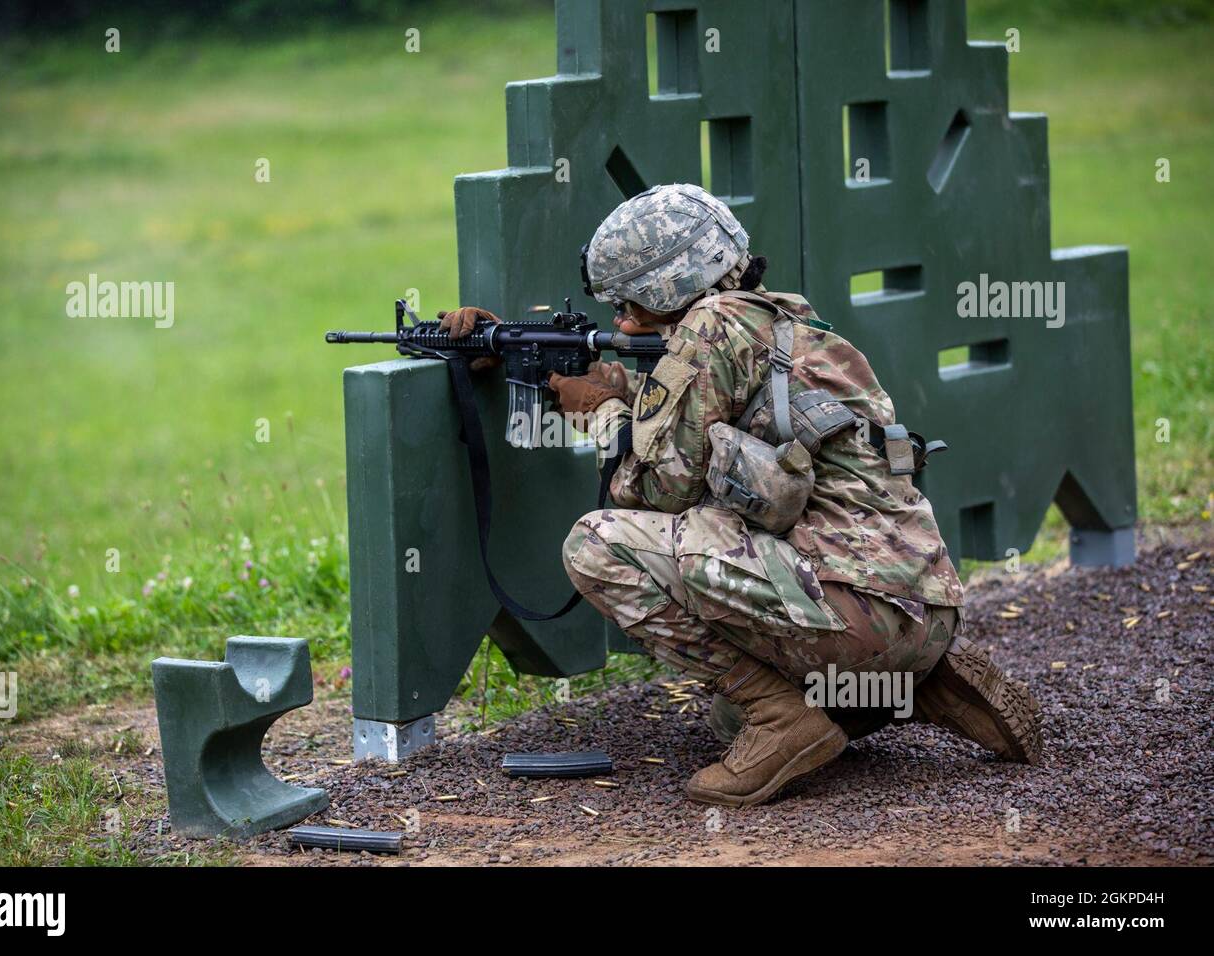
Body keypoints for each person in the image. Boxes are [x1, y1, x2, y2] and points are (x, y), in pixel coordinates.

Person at [438, 184, 1042, 808]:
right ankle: (916, 684)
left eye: (628, 303)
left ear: (667, 287)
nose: (618, 322)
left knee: (597, 546)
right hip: (924, 612)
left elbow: (652, 494)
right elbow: (709, 445)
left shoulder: (708, 330)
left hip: (851, 617)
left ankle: (785, 719)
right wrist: (519, 346)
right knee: (726, 722)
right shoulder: (786, 323)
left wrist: (600, 412)